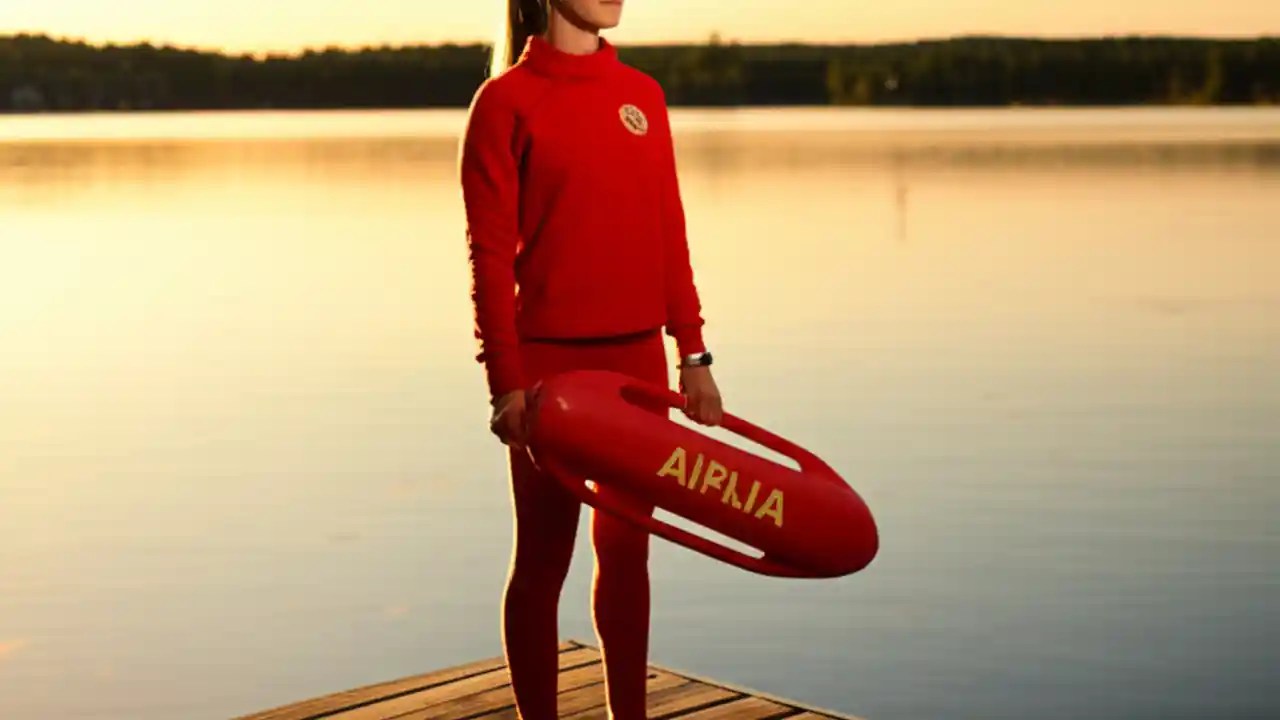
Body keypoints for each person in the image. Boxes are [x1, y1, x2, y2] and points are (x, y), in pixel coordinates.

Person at [457, 1, 724, 717]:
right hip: (551, 376)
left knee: (629, 555)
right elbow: (487, 261)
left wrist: (692, 352)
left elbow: (669, 230)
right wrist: (505, 384)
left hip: (638, 365)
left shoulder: (642, 96)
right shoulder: (505, 103)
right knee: (545, 560)